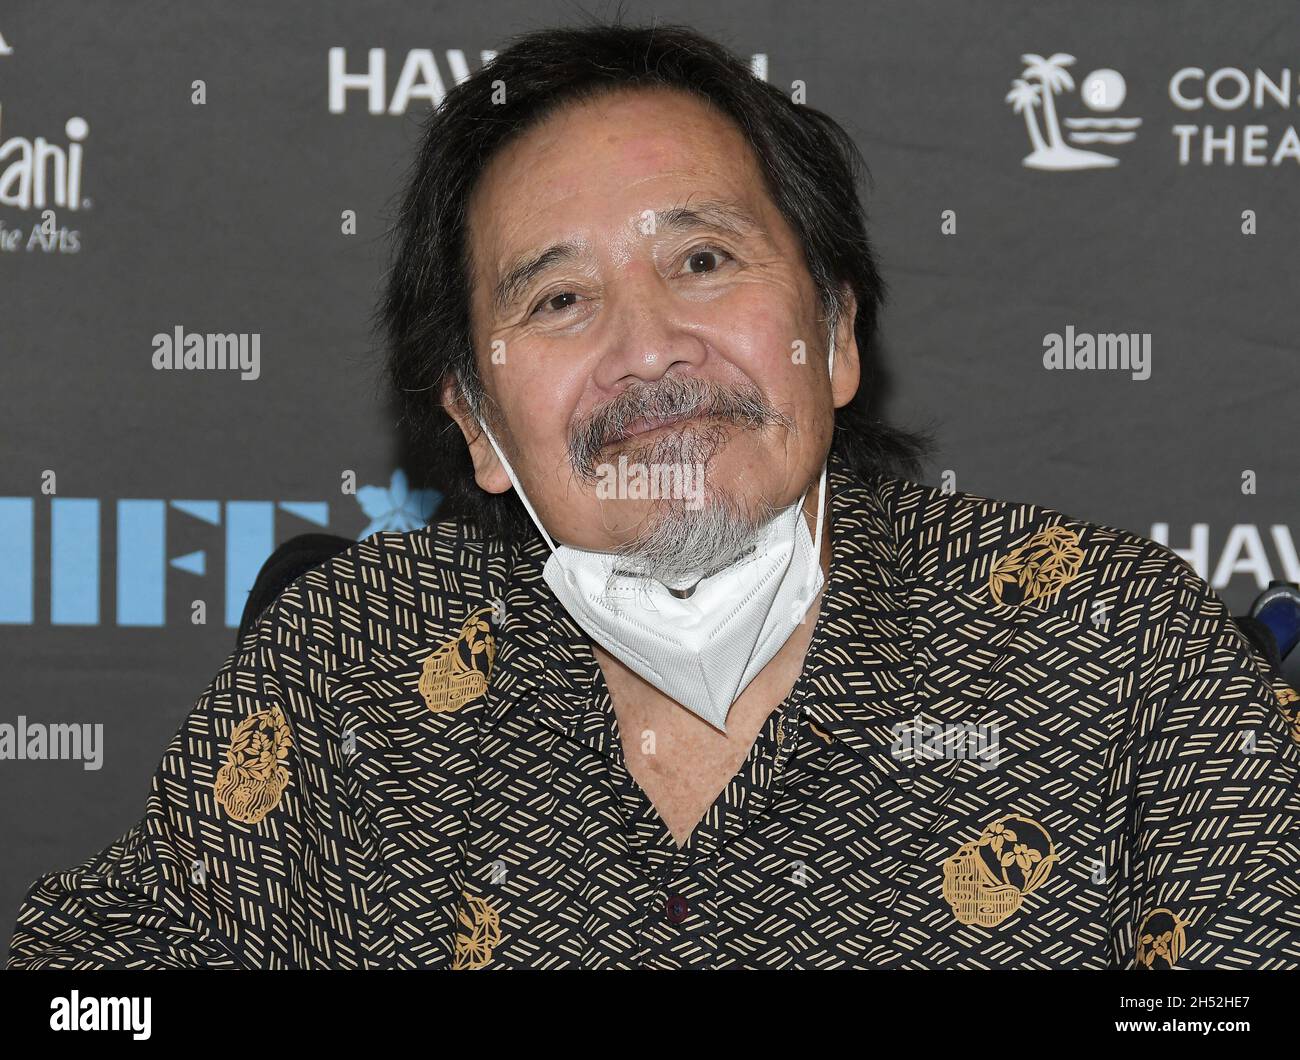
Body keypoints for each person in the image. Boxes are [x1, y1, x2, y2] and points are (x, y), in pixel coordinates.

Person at [9, 21, 1300, 970]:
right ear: (477, 424)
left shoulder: (1111, 637)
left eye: (701, 258)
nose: (650, 349)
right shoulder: (354, 657)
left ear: (836, 335)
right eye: (560, 299)